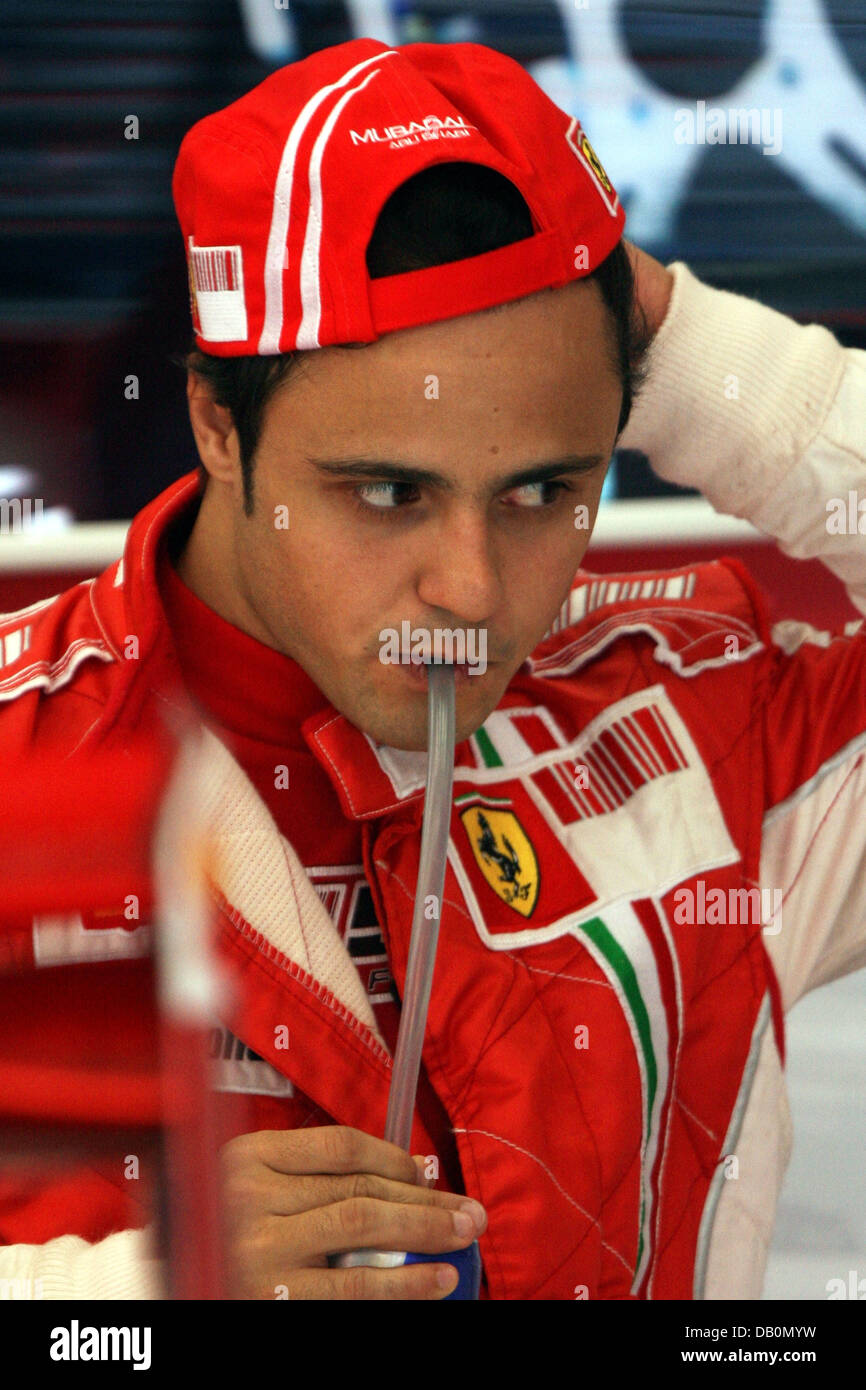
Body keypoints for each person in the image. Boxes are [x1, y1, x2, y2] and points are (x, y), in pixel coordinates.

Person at [0, 37, 864, 1301]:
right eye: (389, 491)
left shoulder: (692, 725)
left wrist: (675, 350)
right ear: (214, 425)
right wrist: (123, 1295)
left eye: (543, 490)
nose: (470, 587)